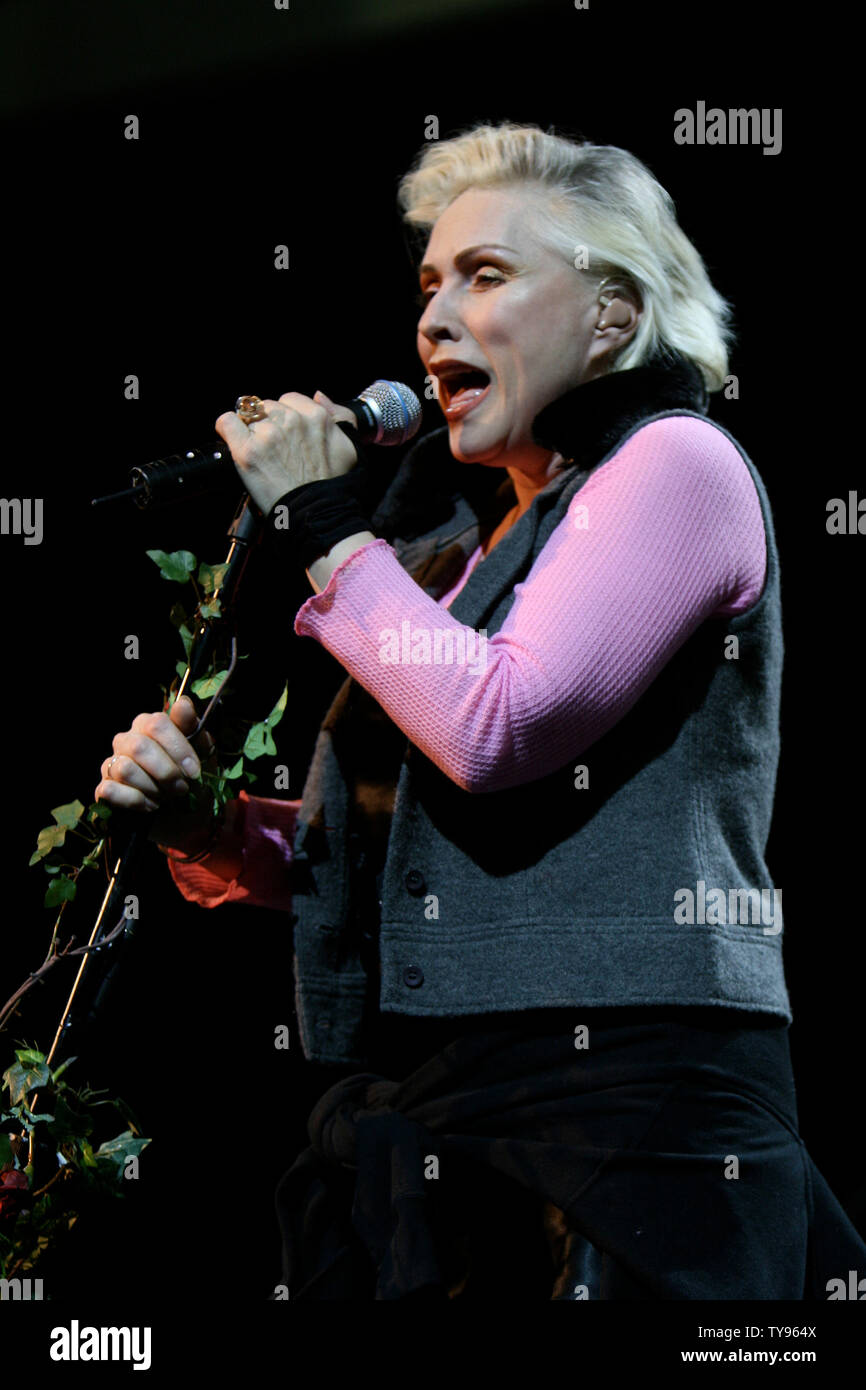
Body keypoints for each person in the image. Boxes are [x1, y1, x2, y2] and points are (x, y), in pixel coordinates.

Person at [94, 123, 866, 1300]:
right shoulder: (477, 558)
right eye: (428, 284)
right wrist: (208, 825)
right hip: (456, 1108)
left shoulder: (676, 467)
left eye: (486, 276)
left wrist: (320, 523)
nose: (433, 319)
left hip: (629, 1111)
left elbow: (497, 726)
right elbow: (391, 843)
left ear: (609, 316)